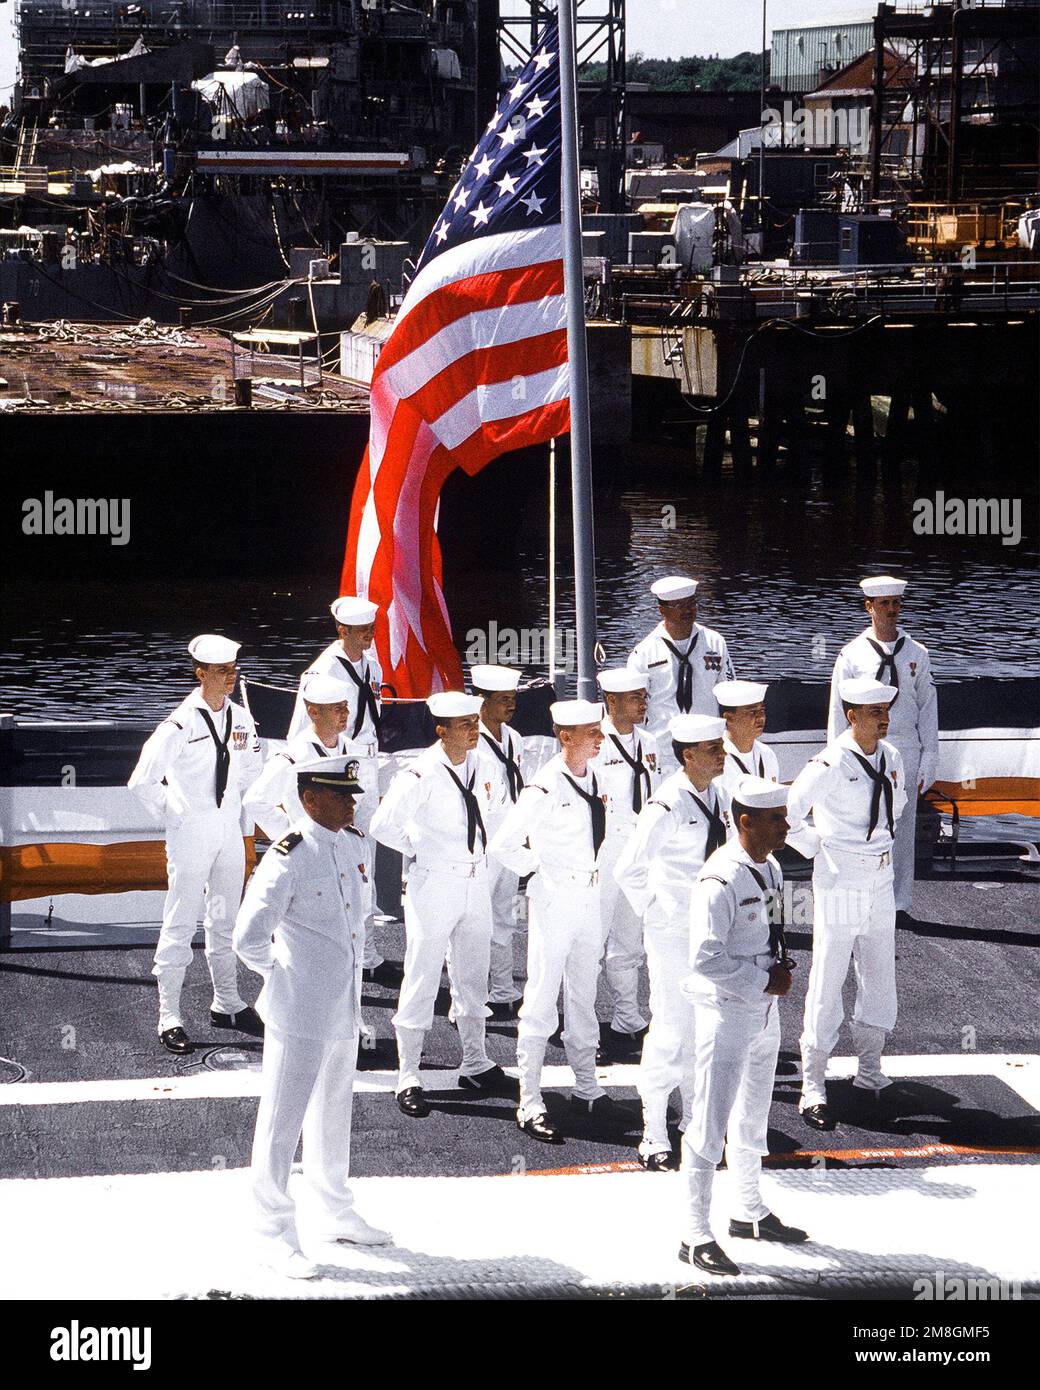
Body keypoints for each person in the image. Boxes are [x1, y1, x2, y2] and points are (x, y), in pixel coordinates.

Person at [233, 755, 391, 1279]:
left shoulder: (349, 843)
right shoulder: (288, 855)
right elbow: (248, 937)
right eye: (341, 794)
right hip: (299, 1008)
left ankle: (335, 1210)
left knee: (333, 1112)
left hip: (343, 1005)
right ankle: (270, 1232)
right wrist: (284, 978)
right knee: (281, 1123)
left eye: (352, 793)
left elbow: (353, 927)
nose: (352, 801)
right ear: (309, 799)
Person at [678, 776, 808, 1276]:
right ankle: (694, 1234)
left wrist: (774, 974)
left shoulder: (771, 868)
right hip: (727, 1010)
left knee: (753, 1118)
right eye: (777, 818)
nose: (787, 825)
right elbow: (703, 959)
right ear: (746, 820)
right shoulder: (719, 880)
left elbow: (772, 927)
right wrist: (762, 979)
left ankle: (749, 1212)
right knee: (709, 1123)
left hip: (764, 1009)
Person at [369, 692, 515, 1117]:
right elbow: (383, 825)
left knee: (472, 977)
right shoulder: (420, 773)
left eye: (475, 722)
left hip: (475, 881)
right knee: (422, 976)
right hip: (434, 885)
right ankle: (408, 1074)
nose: (475, 730)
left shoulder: (485, 765)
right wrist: (419, 847)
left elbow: (502, 818)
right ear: (441, 731)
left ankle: (475, 1061)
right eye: (466, 725)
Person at [490, 699, 629, 1144]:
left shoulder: (600, 778)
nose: (599, 737)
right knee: (542, 997)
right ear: (565, 737)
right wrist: (541, 868)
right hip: (555, 898)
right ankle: (529, 1101)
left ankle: (586, 1088)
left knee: (584, 996)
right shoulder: (545, 786)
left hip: (590, 895)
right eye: (591, 732)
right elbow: (504, 844)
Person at [129, 634, 264, 1053]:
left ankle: (227, 1001)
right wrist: (177, 814)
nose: (230, 677)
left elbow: (249, 770)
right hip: (191, 832)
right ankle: (169, 1014)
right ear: (200, 673)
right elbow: (141, 781)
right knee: (181, 921)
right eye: (222, 671)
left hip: (227, 829)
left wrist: (235, 814)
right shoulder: (179, 724)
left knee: (224, 920)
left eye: (233, 669)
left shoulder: (240, 718)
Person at [787, 677, 908, 1131]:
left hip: (881, 874)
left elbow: (894, 811)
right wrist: (816, 847)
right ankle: (813, 1084)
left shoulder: (892, 757)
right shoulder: (831, 763)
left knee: (879, 973)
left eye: (886, 710)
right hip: (842, 877)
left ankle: (870, 1067)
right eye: (875, 712)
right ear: (852, 716)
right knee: (829, 975)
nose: (884, 718)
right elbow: (789, 811)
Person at [614, 714, 731, 1172]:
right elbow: (629, 868)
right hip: (672, 928)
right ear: (688, 756)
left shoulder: (720, 796)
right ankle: (654, 1131)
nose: (722, 756)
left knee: (705, 1029)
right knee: (669, 1028)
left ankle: (693, 1127)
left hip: (709, 930)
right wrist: (657, 911)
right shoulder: (666, 804)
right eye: (713, 750)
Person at [828, 576, 938, 922]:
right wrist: (836, 758)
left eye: (896, 603)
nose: (891, 610)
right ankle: (861, 897)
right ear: (869, 607)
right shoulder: (852, 654)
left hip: (905, 745)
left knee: (902, 828)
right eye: (884, 604)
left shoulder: (917, 654)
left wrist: (930, 757)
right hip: (864, 747)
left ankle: (899, 902)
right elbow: (836, 709)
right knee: (864, 822)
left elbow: (928, 708)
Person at [290, 596, 388, 976]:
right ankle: (338, 945)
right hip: (335, 766)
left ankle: (368, 953)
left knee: (365, 852)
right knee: (337, 855)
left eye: (372, 629)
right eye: (362, 630)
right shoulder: (322, 672)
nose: (369, 635)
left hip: (368, 760)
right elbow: (302, 728)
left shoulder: (371, 666)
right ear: (341, 630)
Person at [590, 668, 660, 1055]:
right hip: (604, 850)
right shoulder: (594, 740)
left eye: (644, 696)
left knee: (629, 941)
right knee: (590, 942)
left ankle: (627, 1018)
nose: (642, 703)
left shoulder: (648, 742)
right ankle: (582, 1024)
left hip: (638, 851)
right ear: (611, 702)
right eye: (634, 697)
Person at [628, 576, 735, 770]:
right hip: (663, 750)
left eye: (691, 603)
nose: (687, 610)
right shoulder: (643, 653)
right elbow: (634, 709)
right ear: (662, 610)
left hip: (707, 747)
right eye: (679, 605)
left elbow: (729, 696)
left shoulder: (715, 643)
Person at [471, 663, 527, 1019]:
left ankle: (503, 989)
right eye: (503, 700)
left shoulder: (514, 739)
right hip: (481, 841)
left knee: (504, 917)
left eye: (513, 699)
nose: (510, 706)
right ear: (483, 702)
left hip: (508, 840)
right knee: (474, 922)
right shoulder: (471, 741)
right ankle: (469, 1001)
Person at [243, 673, 356, 843]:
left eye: (346, 706)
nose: (346, 713)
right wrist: (294, 836)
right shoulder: (294, 757)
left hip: (346, 845)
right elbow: (255, 802)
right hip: (311, 849)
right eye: (337, 708)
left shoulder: (353, 751)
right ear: (313, 712)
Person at [714, 679, 780, 797]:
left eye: (762, 711)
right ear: (728, 718)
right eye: (752, 712)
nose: (760, 718)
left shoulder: (767, 754)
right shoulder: (715, 759)